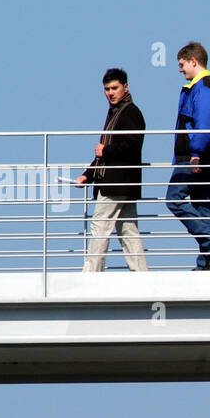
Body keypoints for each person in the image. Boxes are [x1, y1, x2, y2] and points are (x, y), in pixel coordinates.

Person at [166, 42, 210, 270]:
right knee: (202, 204)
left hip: (195, 157)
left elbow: (205, 122)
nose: (180, 69)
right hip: (200, 157)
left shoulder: (202, 87)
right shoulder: (200, 86)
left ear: (193, 61)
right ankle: (207, 263)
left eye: (182, 64)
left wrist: (196, 153)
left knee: (174, 198)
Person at [77, 68, 148, 271]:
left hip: (116, 184)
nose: (110, 92)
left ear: (125, 87)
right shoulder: (116, 112)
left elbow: (132, 146)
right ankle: (142, 275)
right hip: (121, 184)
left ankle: (91, 274)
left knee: (100, 226)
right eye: (107, 89)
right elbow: (103, 155)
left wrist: (106, 150)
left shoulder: (130, 112)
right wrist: (87, 175)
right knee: (128, 231)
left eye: (114, 88)